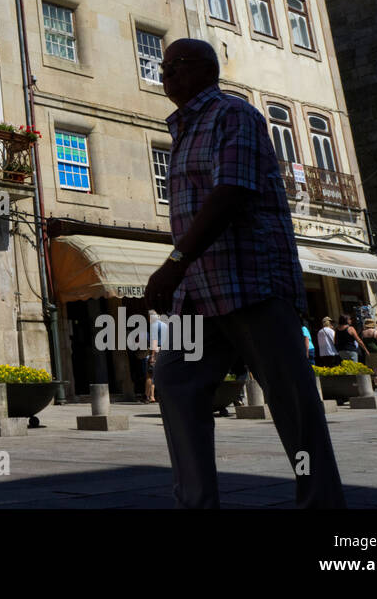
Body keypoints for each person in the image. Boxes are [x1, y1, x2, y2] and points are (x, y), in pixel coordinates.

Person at [145, 38, 346, 509]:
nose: (167, 74)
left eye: (177, 65)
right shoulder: (183, 131)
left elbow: (230, 193)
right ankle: (197, 502)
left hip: (249, 281)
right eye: (163, 67)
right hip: (200, 292)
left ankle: (320, 502)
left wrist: (174, 263)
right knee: (174, 382)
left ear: (206, 69)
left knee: (292, 403)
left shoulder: (233, 115)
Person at [145, 311, 167, 403]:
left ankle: (147, 396)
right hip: (166, 351)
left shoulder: (154, 325)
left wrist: (152, 356)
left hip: (157, 351)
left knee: (150, 375)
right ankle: (162, 396)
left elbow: (154, 341)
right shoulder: (165, 325)